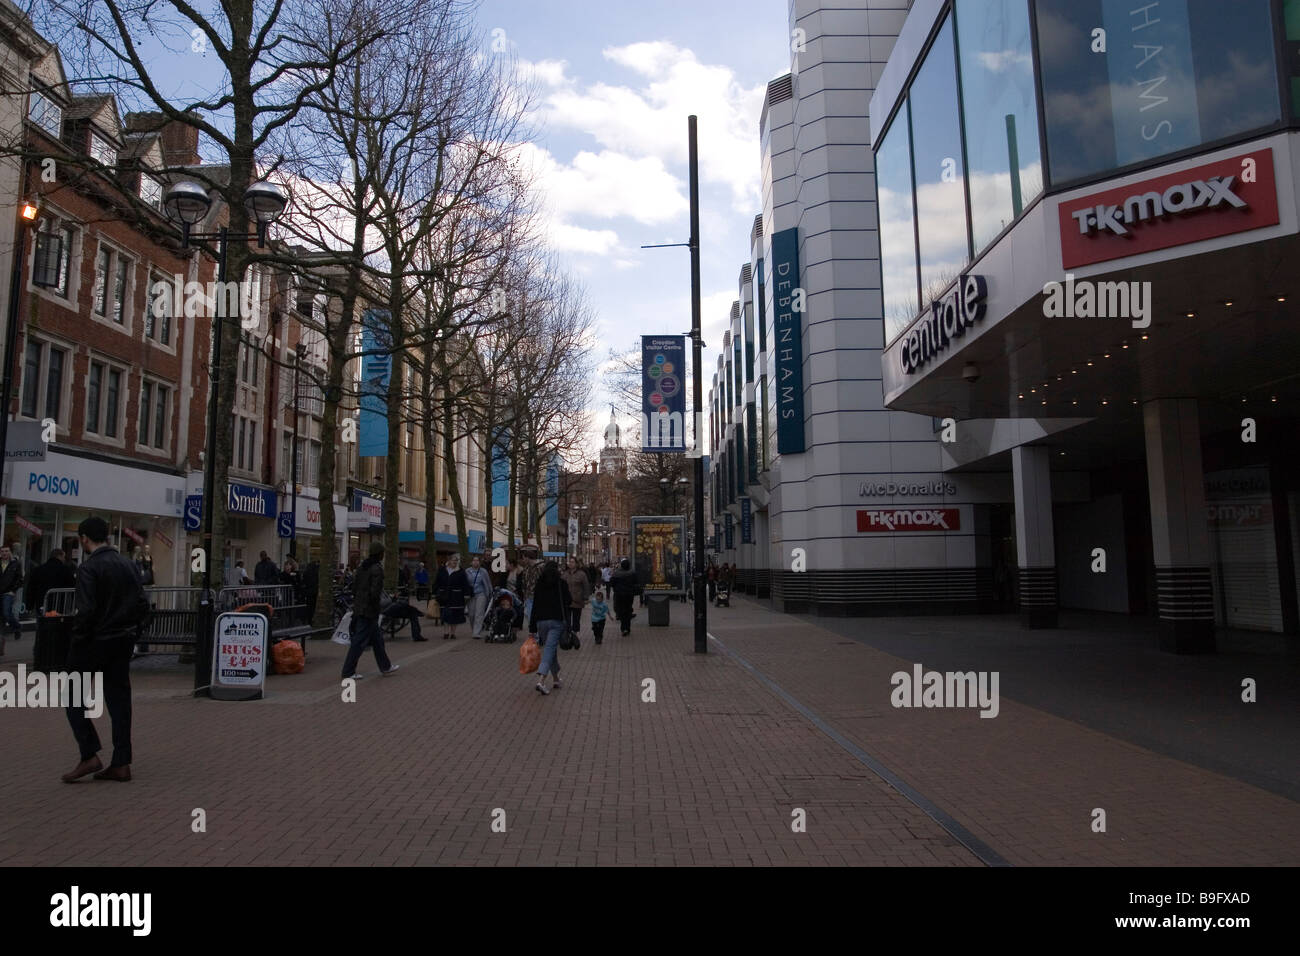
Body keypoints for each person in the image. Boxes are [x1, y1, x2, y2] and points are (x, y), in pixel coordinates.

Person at [61, 517, 147, 783]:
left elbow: (86, 611)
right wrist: (134, 633)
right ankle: (121, 761)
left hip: (94, 641)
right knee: (119, 700)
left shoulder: (89, 568)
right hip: (122, 641)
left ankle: (89, 754)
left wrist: (78, 640)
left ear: (85, 538)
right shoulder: (128, 564)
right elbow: (143, 604)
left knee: (72, 695)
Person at [341, 541, 399, 680]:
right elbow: (375, 592)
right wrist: (376, 605)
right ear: (380, 554)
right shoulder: (377, 569)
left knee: (378, 639)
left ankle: (385, 666)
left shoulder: (362, 567)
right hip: (369, 610)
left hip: (360, 607)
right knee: (359, 641)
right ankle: (348, 671)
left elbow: (354, 588)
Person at [528, 560, 572, 695]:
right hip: (556, 621)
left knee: (550, 648)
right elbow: (568, 601)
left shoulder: (539, 585)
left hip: (541, 622)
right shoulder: (561, 583)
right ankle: (541, 679)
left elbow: (534, 606)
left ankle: (556, 679)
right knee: (549, 649)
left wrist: (532, 627)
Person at [25, 548, 76, 616]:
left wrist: (29, 605)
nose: (64, 559)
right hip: (58, 603)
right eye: (64, 557)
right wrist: (75, 604)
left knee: (42, 621)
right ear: (59, 556)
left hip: (42, 602)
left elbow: (31, 587)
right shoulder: (65, 569)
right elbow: (73, 585)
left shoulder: (39, 569)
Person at [434, 554, 469, 640]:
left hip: (456, 596)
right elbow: (437, 581)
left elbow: (465, 584)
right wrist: (434, 592)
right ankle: (446, 632)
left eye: (456, 560)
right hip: (444, 596)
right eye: (453, 560)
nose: (455, 562)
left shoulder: (461, 571)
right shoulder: (442, 570)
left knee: (455, 615)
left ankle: (453, 633)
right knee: (446, 614)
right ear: (449, 561)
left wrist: (466, 594)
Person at [0, 544, 24, 652]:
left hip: (8, 593)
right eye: (3, 551)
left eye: (6, 551)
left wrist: (13, 591)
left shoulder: (15, 564)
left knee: (6, 612)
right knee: (2, 616)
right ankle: (1, 640)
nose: (5, 553)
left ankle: (17, 627)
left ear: (10, 552)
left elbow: (19, 579)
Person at [610, 558, 641, 636]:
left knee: (622, 611)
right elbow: (636, 582)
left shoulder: (616, 574)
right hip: (629, 595)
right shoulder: (632, 573)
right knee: (628, 610)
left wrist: (616, 589)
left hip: (619, 595)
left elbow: (612, 583)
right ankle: (627, 628)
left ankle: (623, 628)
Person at [561, 556, 591, 636]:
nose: (570, 564)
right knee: (567, 619)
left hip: (577, 600)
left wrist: (586, 597)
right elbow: (561, 586)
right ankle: (568, 634)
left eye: (572, 562)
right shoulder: (565, 574)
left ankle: (575, 634)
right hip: (567, 601)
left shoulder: (581, 574)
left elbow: (586, 586)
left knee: (576, 619)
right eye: (569, 562)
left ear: (576, 564)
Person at [465, 555, 492, 639]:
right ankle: (474, 629)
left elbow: (488, 583)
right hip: (471, 595)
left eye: (477, 561)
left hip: (481, 594)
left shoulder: (483, 571)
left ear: (479, 562)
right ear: (471, 562)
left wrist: (490, 593)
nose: (476, 562)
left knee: (479, 613)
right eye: (474, 560)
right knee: (471, 614)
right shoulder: (467, 571)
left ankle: (476, 632)